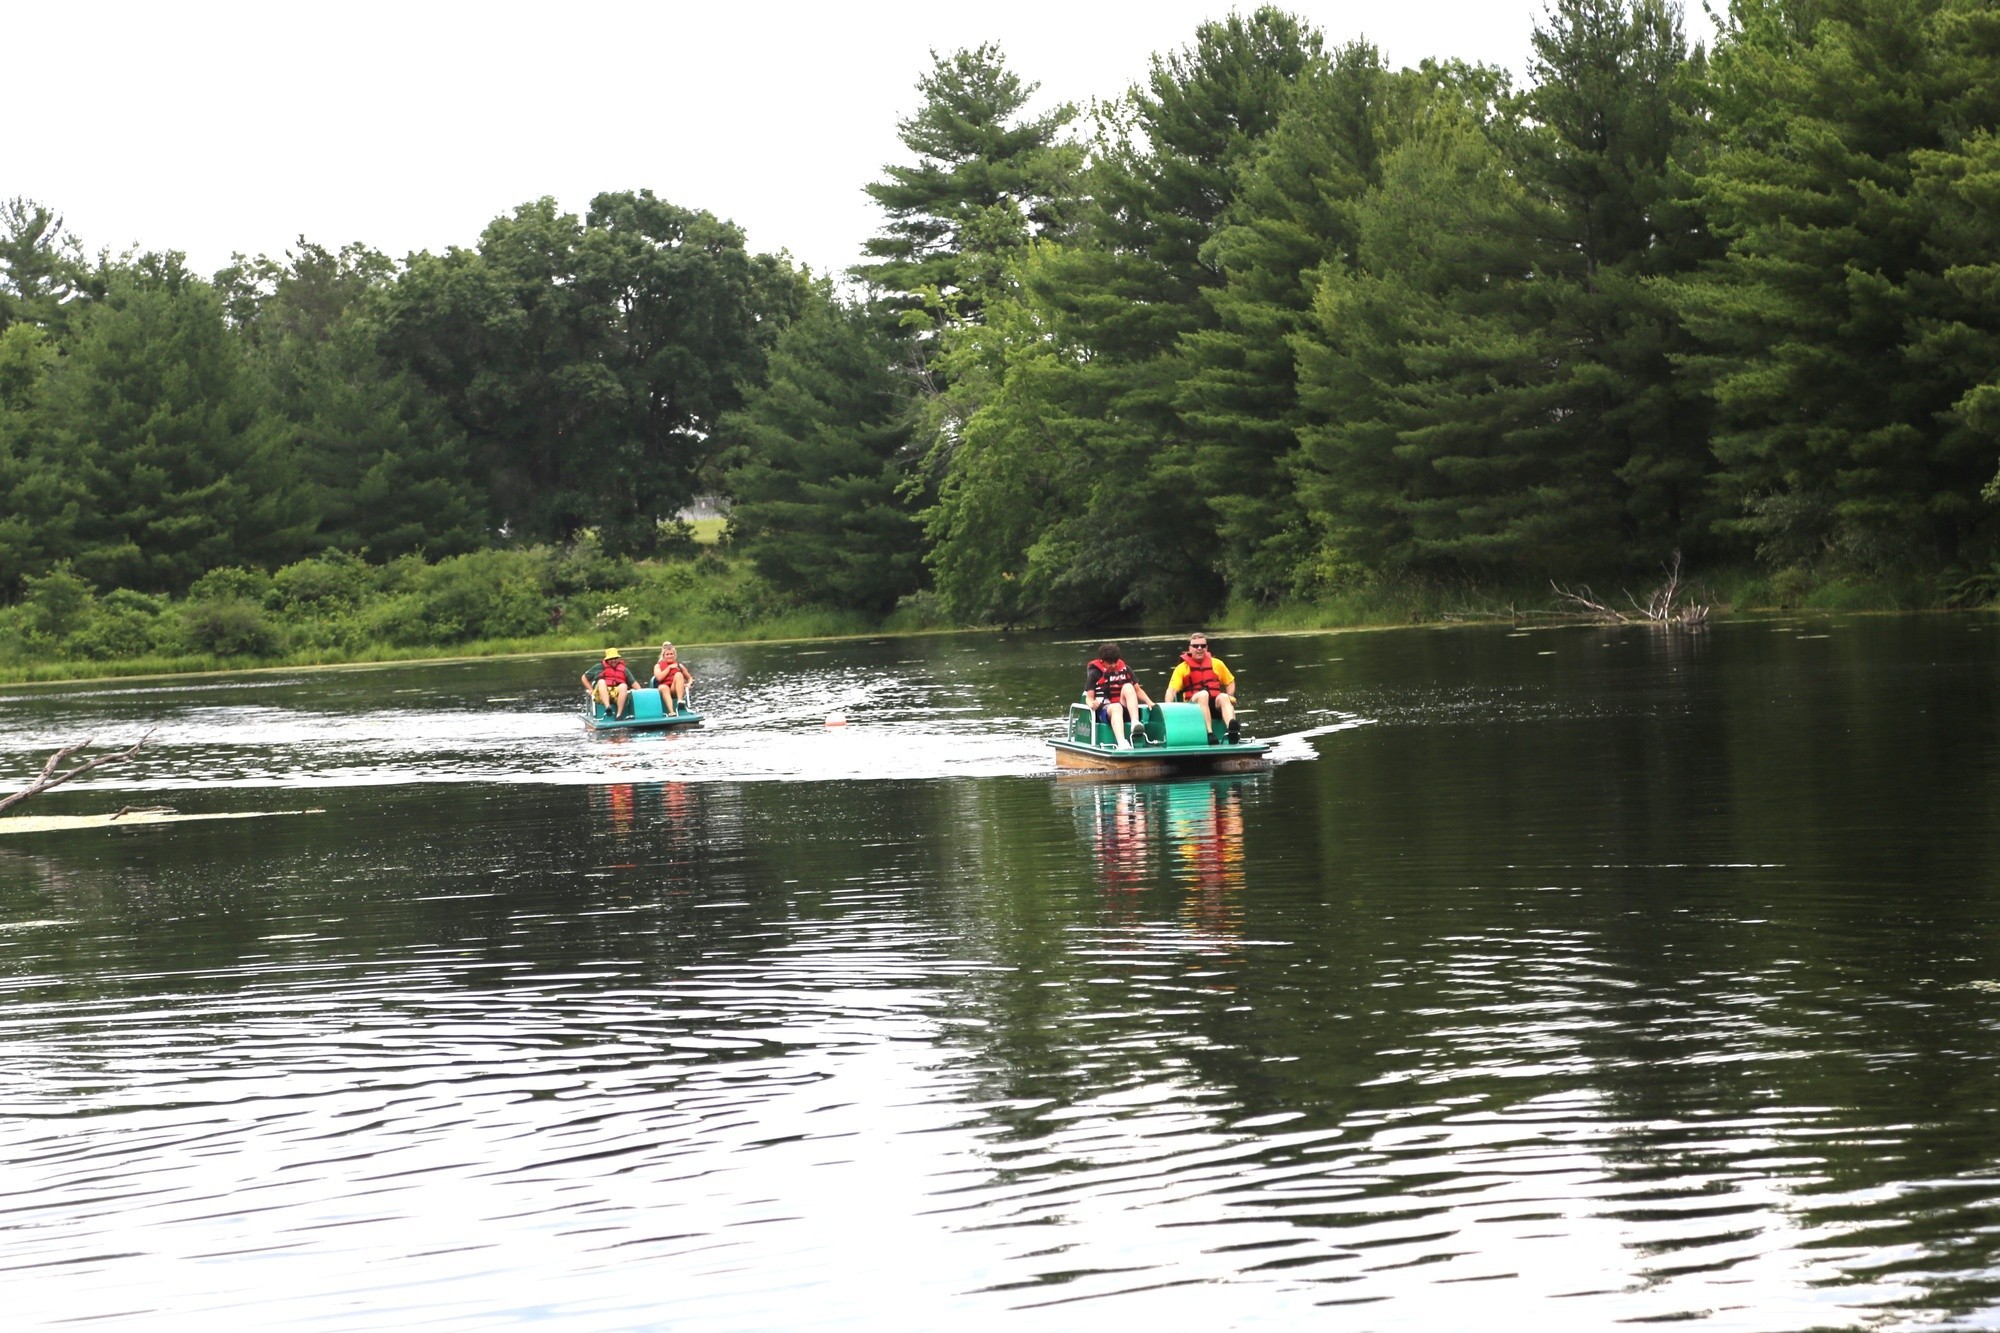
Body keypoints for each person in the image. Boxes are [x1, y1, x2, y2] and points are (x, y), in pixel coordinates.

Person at [1164, 631, 1241, 744]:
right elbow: (1171, 691)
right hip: (1193, 708)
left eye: (1203, 646)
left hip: (1215, 705)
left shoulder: (1217, 664)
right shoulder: (1182, 668)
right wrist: (1168, 709)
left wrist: (1230, 695)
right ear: (1190, 649)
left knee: (1224, 697)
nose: (1199, 648)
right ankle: (1210, 734)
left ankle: (1232, 730)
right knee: (1203, 694)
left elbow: (1230, 682)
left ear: (1206, 648)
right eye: (1195, 646)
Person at [1087, 642, 1154, 750]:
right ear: (1102, 661)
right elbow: (1089, 697)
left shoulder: (1125, 669)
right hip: (1106, 710)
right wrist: (1091, 703)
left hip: (1124, 708)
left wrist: (1149, 702)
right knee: (1116, 707)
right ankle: (1122, 742)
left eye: (1115, 662)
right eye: (1109, 663)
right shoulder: (1095, 673)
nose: (1113, 666)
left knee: (1128, 686)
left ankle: (1135, 723)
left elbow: (1138, 690)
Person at [582, 648, 634, 719]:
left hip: (616, 695)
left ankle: (619, 715)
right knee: (601, 681)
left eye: (615, 658)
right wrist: (590, 690)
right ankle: (608, 707)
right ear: (606, 660)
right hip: (600, 695)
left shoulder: (623, 669)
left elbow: (634, 684)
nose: (613, 660)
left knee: (623, 686)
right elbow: (584, 678)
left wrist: (641, 693)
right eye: (611, 659)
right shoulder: (598, 667)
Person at [649, 640, 694, 712]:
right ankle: (671, 711)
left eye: (671, 654)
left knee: (679, 674)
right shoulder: (657, 666)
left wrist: (689, 684)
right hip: (663, 688)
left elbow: (689, 678)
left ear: (674, 655)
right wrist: (669, 668)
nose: (669, 656)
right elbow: (659, 678)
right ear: (664, 656)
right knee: (664, 687)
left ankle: (680, 701)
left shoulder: (679, 666)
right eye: (667, 654)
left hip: (674, 689)